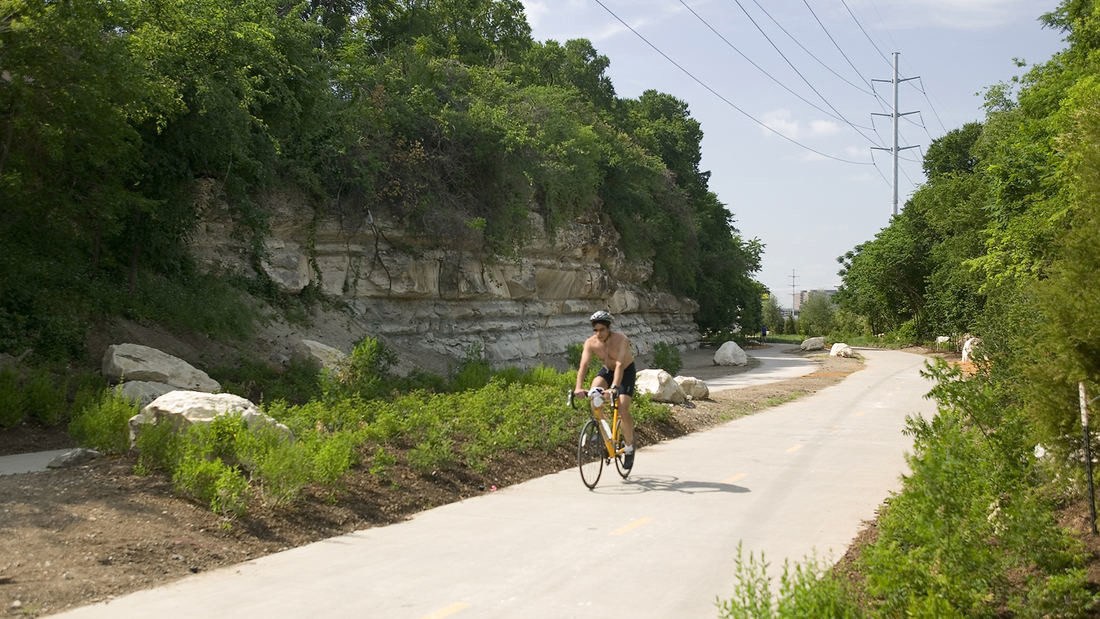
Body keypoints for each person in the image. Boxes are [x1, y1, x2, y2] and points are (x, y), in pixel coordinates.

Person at [573, 310, 636, 469]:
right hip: (607, 371)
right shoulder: (591, 342)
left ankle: (628, 447)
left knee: (622, 407)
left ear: (609, 328)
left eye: (601, 329)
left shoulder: (621, 340)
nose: (598, 333)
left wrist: (614, 388)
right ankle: (605, 436)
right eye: (595, 330)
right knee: (594, 394)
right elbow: (583, 366)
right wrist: (578, 387)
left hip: (625, 371)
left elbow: (620, 365)